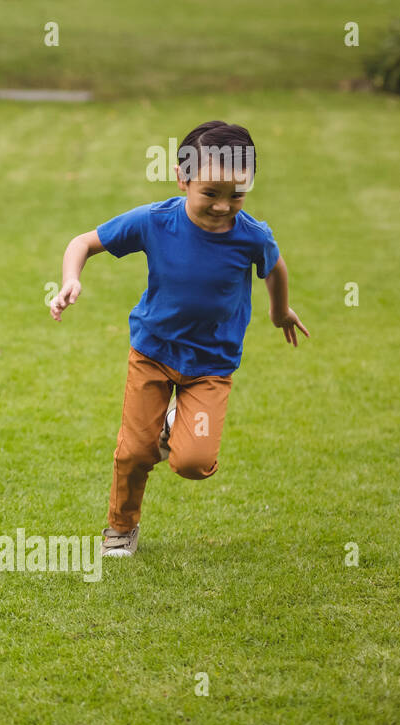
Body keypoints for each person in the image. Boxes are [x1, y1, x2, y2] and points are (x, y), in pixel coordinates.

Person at [49, 121, 308, 557]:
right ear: (183, 178)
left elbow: (275, 266)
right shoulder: (154, 222)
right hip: (152, 352)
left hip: (211, 365)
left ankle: (173, 425)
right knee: (134, 451)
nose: (224, 207)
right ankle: (121, 528)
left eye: (237, 195)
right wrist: (70, 280)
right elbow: (83, 242)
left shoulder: (252, 236)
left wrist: (279, 310)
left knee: (193, 464)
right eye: (211, 193)